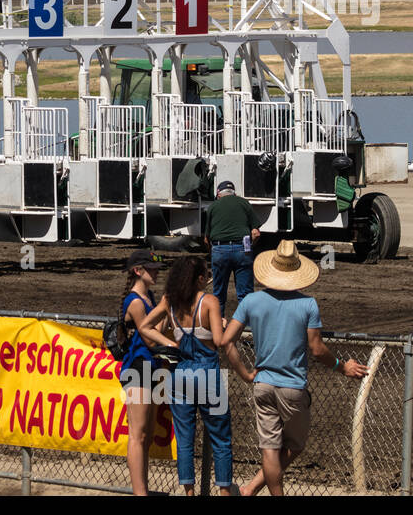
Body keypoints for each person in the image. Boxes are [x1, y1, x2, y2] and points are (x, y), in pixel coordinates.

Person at [219, 240, 368, 496]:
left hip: (262, 383)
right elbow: (317, 349)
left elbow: (226, 341)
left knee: (269, 448)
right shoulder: (308, 305)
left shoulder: (251, 301)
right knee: (295, 445)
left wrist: (244, 373)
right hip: (292, 386)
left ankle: (251, 489)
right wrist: (342, 367)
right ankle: (258, 491)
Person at [142, 256, 255, 496]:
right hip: (207, 373)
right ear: (200, 278)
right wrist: (223, 325)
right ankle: (225, 491)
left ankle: (189, 493)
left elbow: (145, 327)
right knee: (221, 438)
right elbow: (218, 340)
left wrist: (170, 344)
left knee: (184, 440)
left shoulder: (170, 301)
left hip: (180, 373)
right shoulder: (209, 302)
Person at [117, 249, 174, 496]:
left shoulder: (148, 296)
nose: (156, 272)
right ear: (137, 271)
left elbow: (155, 329)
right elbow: (150, 338)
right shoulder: (136, 301)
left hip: (150, 367)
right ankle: (140, 492)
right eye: (151, 269)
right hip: (139, 368)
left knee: (147, 434)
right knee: (138, 434)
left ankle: (143, 489)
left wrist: (164, 308)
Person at [205, 180, 260, 311]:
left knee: (218, 294)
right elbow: (256, 233)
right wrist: (250, 246)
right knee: (245, 295)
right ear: (234, 193)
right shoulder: (244, 203)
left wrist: (213, 253)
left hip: (219, 250)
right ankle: (246, 327)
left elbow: (206, 240)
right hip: (242, 250)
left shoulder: (213, 206)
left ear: (218, 193)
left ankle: (218, 325)